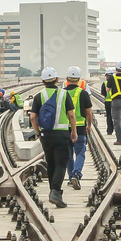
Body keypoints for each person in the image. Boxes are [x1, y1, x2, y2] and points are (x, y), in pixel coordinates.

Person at [29, 67, 78, 208]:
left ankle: (53, 191)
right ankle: (56, 192)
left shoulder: (39, 96)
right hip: (62, 134)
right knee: (61, 163)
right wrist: (73, 131)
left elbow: (33, 117)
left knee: (51, 163)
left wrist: (38, 133)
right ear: (57, 80)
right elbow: (72, 115)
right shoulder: (64, 94)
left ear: (43, 82)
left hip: (46, 135)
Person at [63, 65, 94, 190]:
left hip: (65, 129)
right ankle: (76, 173)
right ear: (79, 79)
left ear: (67, 78)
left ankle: (71, 177)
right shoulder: (84, 93)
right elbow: (89, 113)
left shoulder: (61, 93)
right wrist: (89, 125)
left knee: (68, 154)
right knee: (80, 152)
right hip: (80, 128)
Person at [105, 62, 121, 145]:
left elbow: (108, 90)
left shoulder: (112, 78)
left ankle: (119, 139)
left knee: (116, 120)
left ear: (116, 69)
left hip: (116, 101)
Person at [99, 67, 115, 136]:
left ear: (106, 76)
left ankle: (109, 130)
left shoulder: (105, 83)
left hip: (108, 102)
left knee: (109, 116)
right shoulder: (115, 82)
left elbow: (102, 93)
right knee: (116, 116)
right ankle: (118, 129)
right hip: (114, 101)